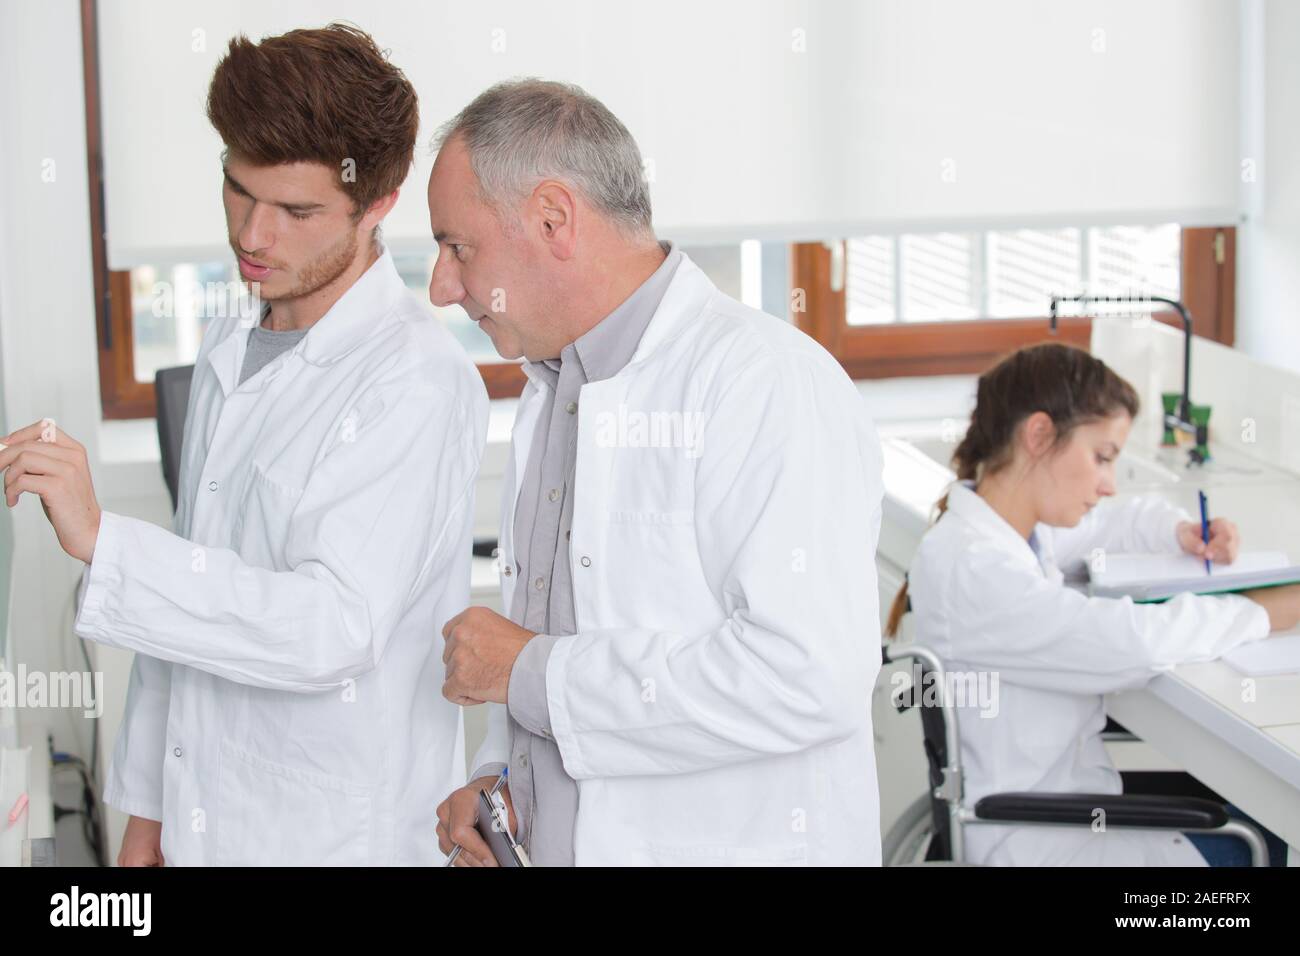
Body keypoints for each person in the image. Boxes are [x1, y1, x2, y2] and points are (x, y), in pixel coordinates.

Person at [0, 24, 487, 865]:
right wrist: (147, 811)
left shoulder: (415, 380)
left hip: (327, 839)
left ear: (376, 205)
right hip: (199, 822)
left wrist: (104, 540)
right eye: (237, 190)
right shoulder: (235, 342)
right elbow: (184, 610)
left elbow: (329, 626)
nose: (253, 237)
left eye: (296, 210)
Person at [429, 79, 884, 866]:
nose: (441, 286)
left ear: (552, 219)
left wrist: (531, 673)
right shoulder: (551, 392)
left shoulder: (765, 383)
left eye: (457, 246)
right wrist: (502, 780)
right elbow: (547, 645)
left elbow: (808, 677)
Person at [886, 342, 1300, 866]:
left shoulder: (1002, 533)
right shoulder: (976, 571)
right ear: (1039, 434)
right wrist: (1263, 611)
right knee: (1266, 840)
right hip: (1045, 842)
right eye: (1101, 457)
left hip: (1060, 815)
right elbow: (1133, 642)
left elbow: (1109, 525)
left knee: (1260, 820)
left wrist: (1180, 532)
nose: (1107, 484)